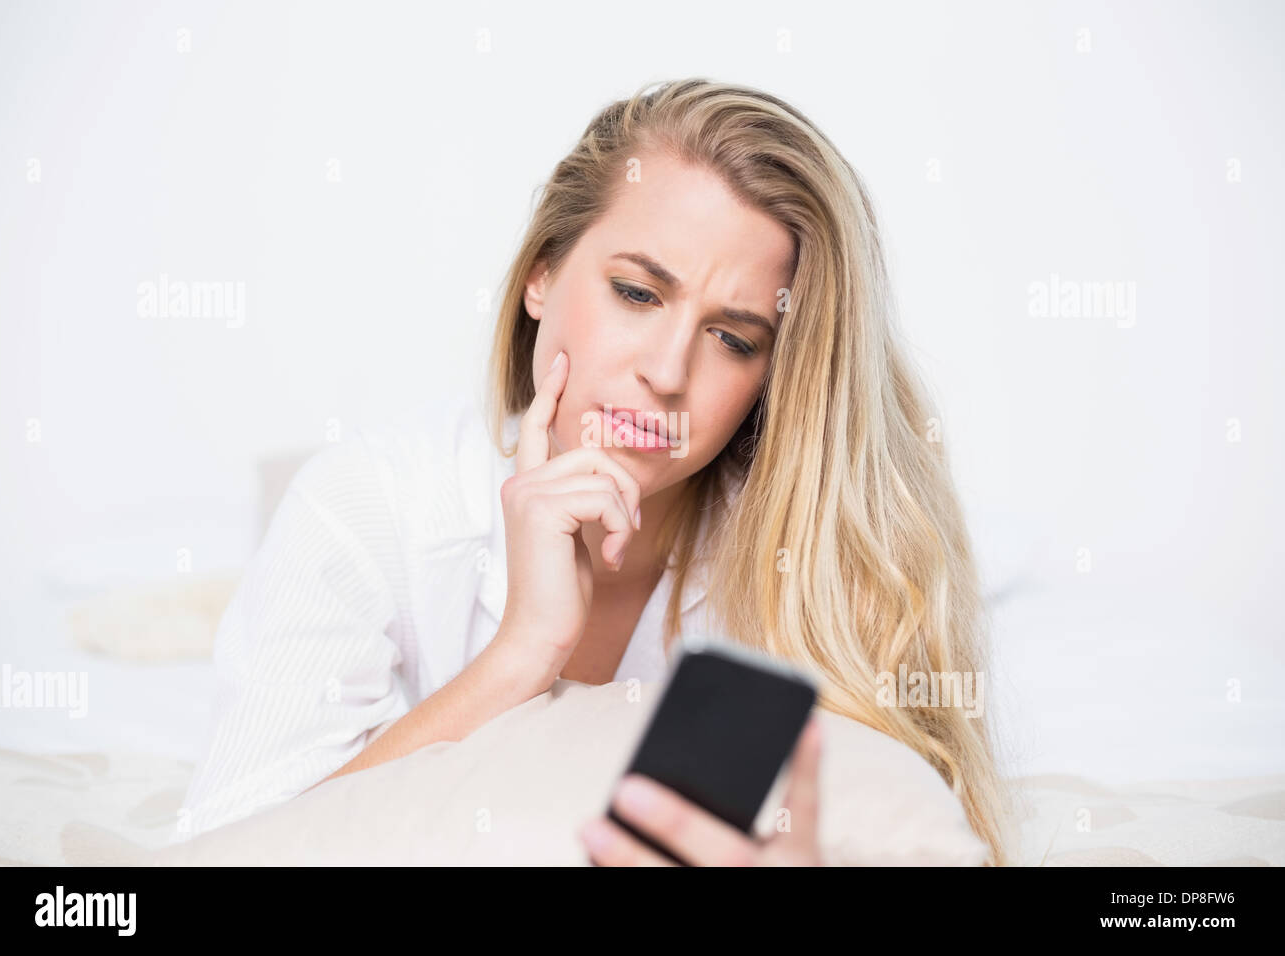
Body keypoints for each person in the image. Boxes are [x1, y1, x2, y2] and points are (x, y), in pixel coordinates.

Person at [178, 77, 1016, 866]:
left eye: (734, 338)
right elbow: (231, 852)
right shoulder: (362, 504)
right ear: (541, 273)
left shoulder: (820, 563)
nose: (667, 370)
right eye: (638, 293)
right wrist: (522, 655)